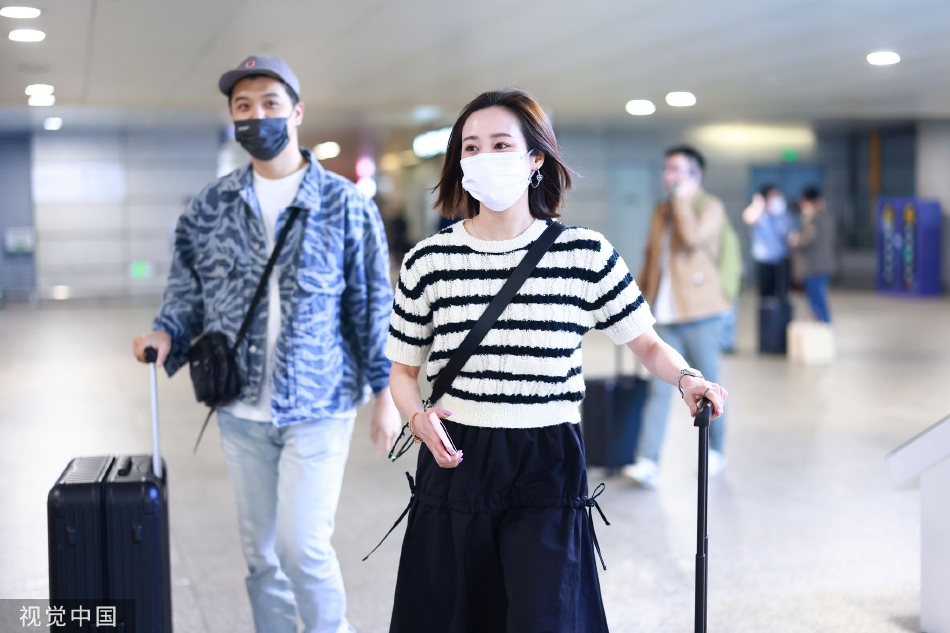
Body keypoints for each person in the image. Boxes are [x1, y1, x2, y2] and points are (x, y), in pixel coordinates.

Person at [383, 89, 727, 632]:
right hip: (456, 454)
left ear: (535, 157)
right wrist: (415, 419)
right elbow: (402, 370)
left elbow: (646, 343)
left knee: (547, 615)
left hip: (548, 455)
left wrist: (686, 378)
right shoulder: (429, 260)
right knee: (455, 615)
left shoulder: (583, 254)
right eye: (470, 147)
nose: (482, 157)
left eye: (501, 144)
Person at [132, 55, 401, 633]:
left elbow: (372, 303)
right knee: (262, 556)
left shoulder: (345, 205)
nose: (257, 116)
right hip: (240, 407)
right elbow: (186, 292)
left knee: (302, 547)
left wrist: (386, 393)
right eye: (243, 107)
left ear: (298, 113)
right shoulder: (209, 207)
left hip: (321, 403)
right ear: (232, 117)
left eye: (270, 104)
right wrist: (166, 332)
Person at [624, 146, 731, 488]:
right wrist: (637, 296)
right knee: (659, 387)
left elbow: (690, 239)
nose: (669, 176)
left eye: (678, 170)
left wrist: (682, 200)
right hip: (665, 311)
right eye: (667, 169)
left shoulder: (709, 207)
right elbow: (651, 254)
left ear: (695, 174)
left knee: (709, 382)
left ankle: (716, 450)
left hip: (702, 313)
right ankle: (648, 459)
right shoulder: (661, 210)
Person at [790, 186, 836, 322]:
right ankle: (824, 331)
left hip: (814, 267)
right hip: (824, 265)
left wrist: (795, 240)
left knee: (817, 304)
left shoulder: (812, 217)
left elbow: (809, 239)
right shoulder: (826, 215)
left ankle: (825, 331)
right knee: (819, 301)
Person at [743, 184, 792, 300]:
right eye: (773, 196)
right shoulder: (758, 214)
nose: (776, 199)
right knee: (766, 295)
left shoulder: (783, 214)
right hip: (765, 261)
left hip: (781, 260)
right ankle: (767, 317)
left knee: (782, 294)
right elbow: (749, 218)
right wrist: (759, 204)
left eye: (778, 196)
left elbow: (788, 234)